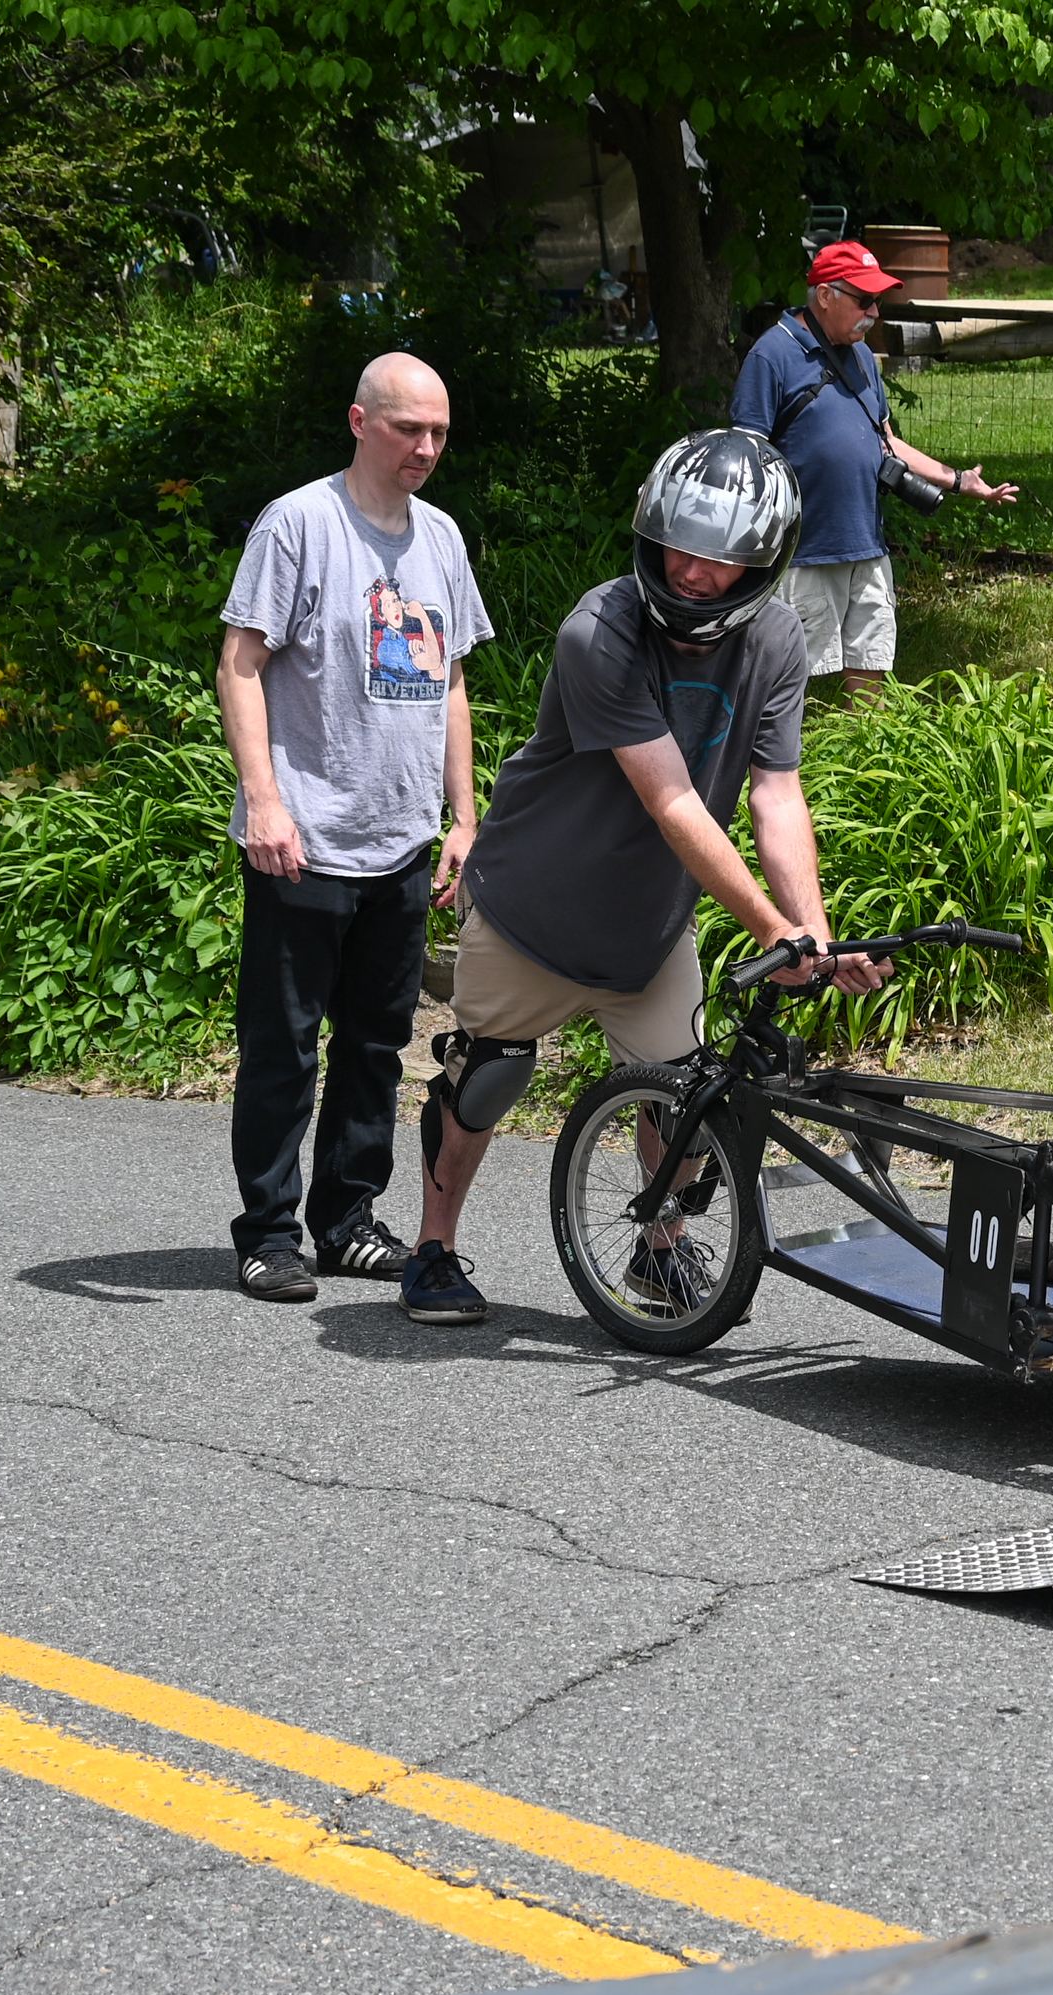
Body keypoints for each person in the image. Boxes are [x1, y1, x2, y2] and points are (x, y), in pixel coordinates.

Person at [399, 428, 881, 1325]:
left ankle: (658, 1256)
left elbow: (777, 796)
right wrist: (770, 930)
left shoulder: (774, 639)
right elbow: (674, 806)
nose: (693, 575)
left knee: (687, 1094)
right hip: (534, 905)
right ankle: (434, 1249)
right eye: (680, 549)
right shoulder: (600, 631)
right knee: (488, 1078)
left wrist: (809, 934)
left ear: (763, 563)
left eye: (721, 562)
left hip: (650, 922)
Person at [216, 351, 491, 1304]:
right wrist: (264, 799)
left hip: (402, 840)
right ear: (359, 420)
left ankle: (345, 1220)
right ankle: (267, 1232)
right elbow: (240, 664)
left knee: (377, 1043)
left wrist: (462, 815)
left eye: (440, 433)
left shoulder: (442, 539)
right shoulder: (298, 524)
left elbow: (452, 679)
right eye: (409, 428)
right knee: (285, 1044)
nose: (425, 448)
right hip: (304, 840)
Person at [728, 239, 1018, 704]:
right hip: (804, 550)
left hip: (865, 541)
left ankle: (865, 753)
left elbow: (887, 440)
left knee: (872, 656)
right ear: (826, 295)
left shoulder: (862, 356)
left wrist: (960, 480)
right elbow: (746, 457)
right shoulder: (772, 356)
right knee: (786, 672)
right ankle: (784, 763)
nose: (874, 313)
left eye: (877, 301)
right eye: (864, 301)